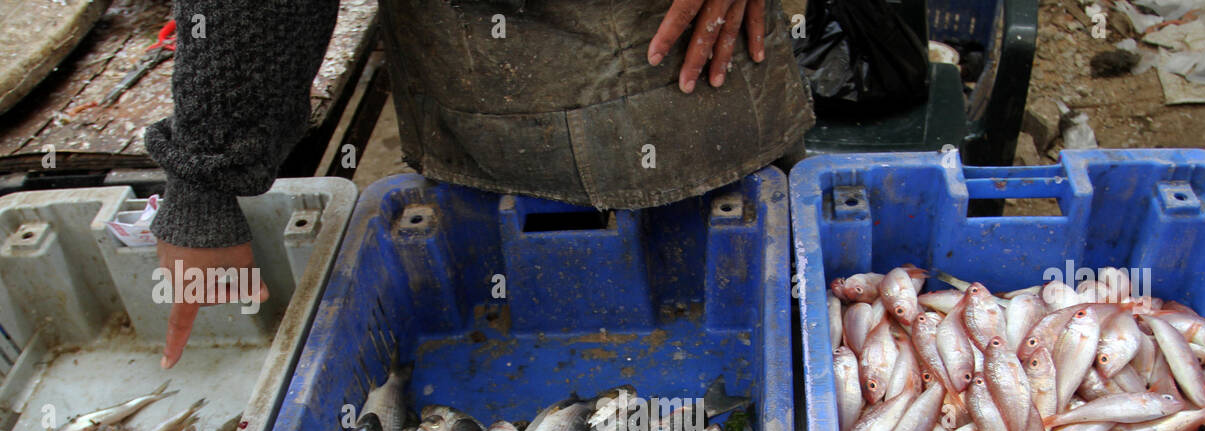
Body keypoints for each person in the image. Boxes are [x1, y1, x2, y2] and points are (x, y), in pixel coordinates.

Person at [147, 0, 814, 368]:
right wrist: (209, 166)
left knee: (775, 364)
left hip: (701, 80)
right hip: (526, 111)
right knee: (760, 354)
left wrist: (207, 174)